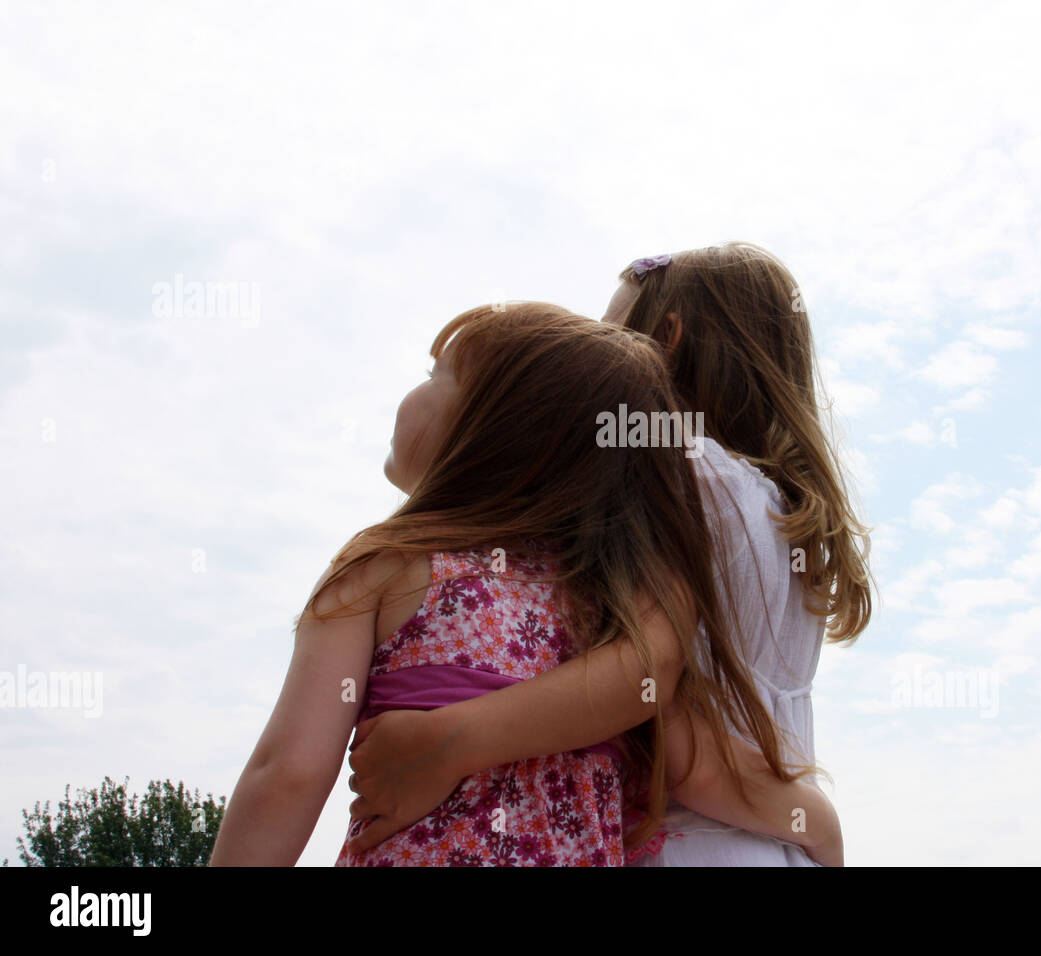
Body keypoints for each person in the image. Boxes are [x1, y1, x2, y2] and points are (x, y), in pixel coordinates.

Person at [208, 301, 841, 867]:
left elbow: (287, 774)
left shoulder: (381, 566)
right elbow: (697, 769)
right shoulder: (606, 606)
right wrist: (818, 826)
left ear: (492, 431)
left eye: (437, 374)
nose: (415, 390)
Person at [347, 243, 874, 866]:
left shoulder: (675, 470)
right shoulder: (783, 512)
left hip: (681, 844)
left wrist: (449, 741)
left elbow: (667, 728)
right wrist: (814, 825)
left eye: (607, 334)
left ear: (664, 340)